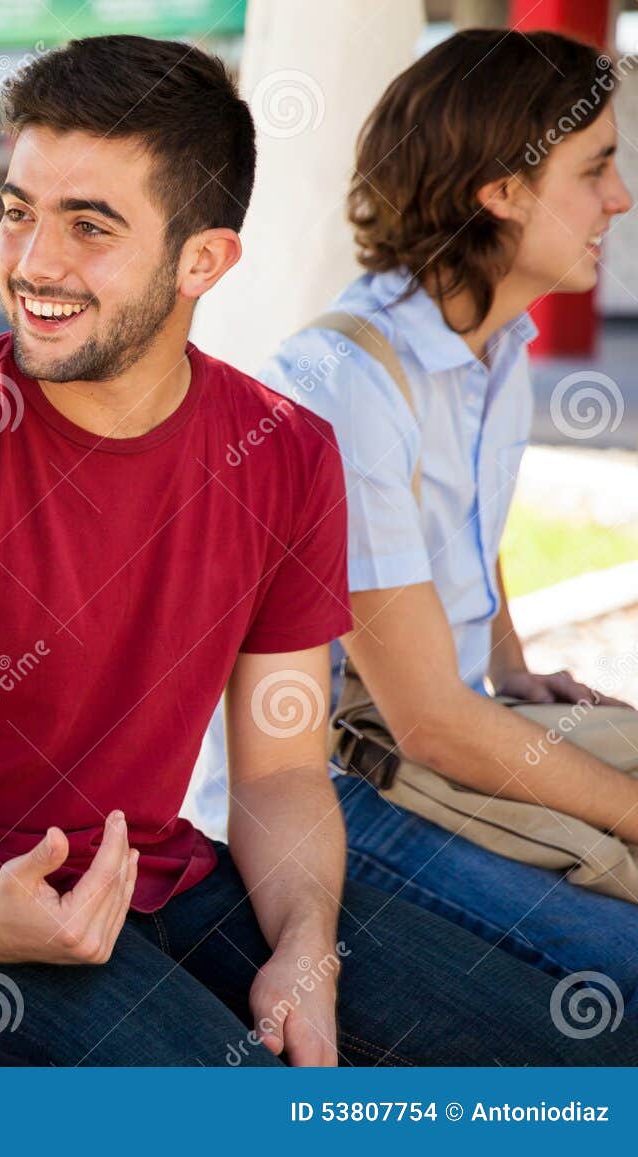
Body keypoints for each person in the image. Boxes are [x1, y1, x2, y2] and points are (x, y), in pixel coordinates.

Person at [0, 35, 637, 1066]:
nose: (33, 261)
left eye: (88, 226)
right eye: (17, 210)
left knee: (581, 1052)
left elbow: (274, 773)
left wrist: (306, 946)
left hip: (156, 872)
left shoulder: (282, 452)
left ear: (204, 260)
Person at [257, 29, 638, 996]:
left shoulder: (493, 340)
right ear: (499, 192)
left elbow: (470, 522)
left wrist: (508, 660)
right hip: (348, 787)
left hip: (458, 728)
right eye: (596, 169)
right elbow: (425, 721)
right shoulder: (348, 382)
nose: (620, 200)